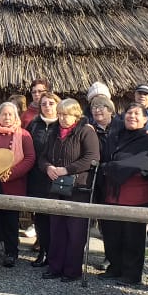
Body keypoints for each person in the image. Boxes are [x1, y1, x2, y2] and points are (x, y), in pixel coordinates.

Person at [95, 100, 148, 285]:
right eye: (129, 113)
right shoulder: (116, 136)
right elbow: (104, 157)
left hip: (135, 196)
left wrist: (110, 167)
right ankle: (115, 267)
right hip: (113, 194)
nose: (132, 116)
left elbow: (141, 164)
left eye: (137, 114)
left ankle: (132, 274)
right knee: (112, 233)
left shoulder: (147, 140)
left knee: (133, 237)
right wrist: (108, 166)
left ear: (145, 119)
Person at [40, 98, 100, 283]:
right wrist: (48, 167)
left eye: (65, 114)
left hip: (78, 188)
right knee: (56, 229)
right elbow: (42, 156)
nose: (62, 118)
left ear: (76, 115)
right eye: (59, 114)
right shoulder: (53, 133)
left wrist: (67, 169)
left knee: (75, 231)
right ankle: (55, 266)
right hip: (56, 187)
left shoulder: (86, 131)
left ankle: (72, 270)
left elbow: (91, 157)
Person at [0, 102, 35, 268]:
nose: (7, 117)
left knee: (11, 221)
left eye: (10, 115)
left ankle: (11, 253)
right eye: (3, 114)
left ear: (15, 117)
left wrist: (10, 174)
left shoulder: (24, 135)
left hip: (13, 184)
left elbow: (29, 158)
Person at [26, 91, 60, 267]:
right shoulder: (34, 124)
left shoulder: (63, 124)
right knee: (39, 218)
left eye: (51, 103)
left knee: (55, 218)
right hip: (37, 177)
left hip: (56, 177)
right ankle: (43, 251)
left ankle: (55, 255)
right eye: (44, 104)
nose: (47, 107)